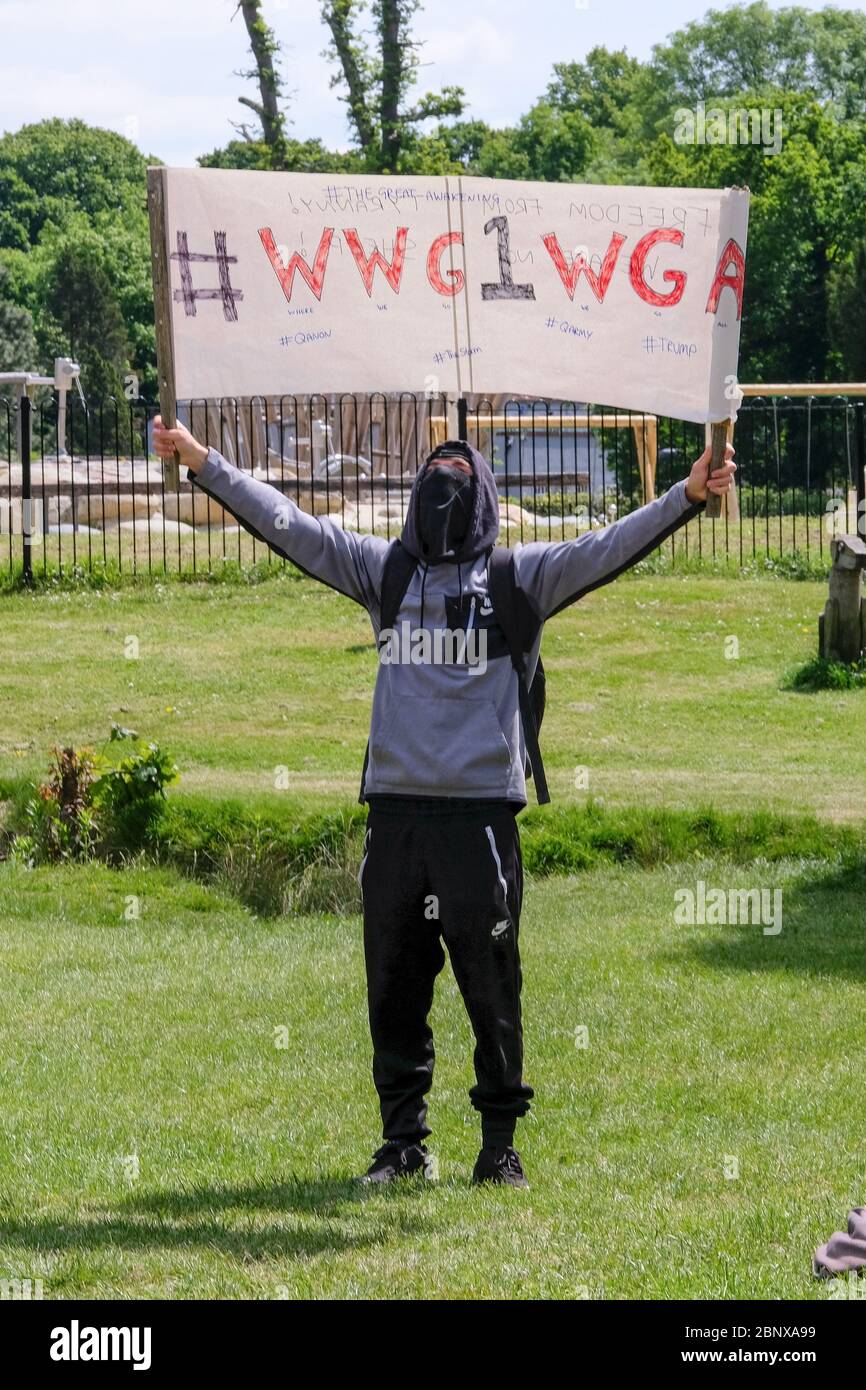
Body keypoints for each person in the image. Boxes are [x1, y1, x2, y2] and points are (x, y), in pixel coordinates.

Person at [153, 414, 735, 1188]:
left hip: (479, 820)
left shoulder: (516, 579)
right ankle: (403, 1145)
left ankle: (499, 1147)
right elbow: (288, 524)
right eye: (435, 481)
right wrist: (203, 463)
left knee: (492, 988)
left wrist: (686, 497)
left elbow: (605, 548)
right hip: (395, 817)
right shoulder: (383, 572)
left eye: (459, 486)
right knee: (392, 987)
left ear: (484, 501)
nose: (443, 498)